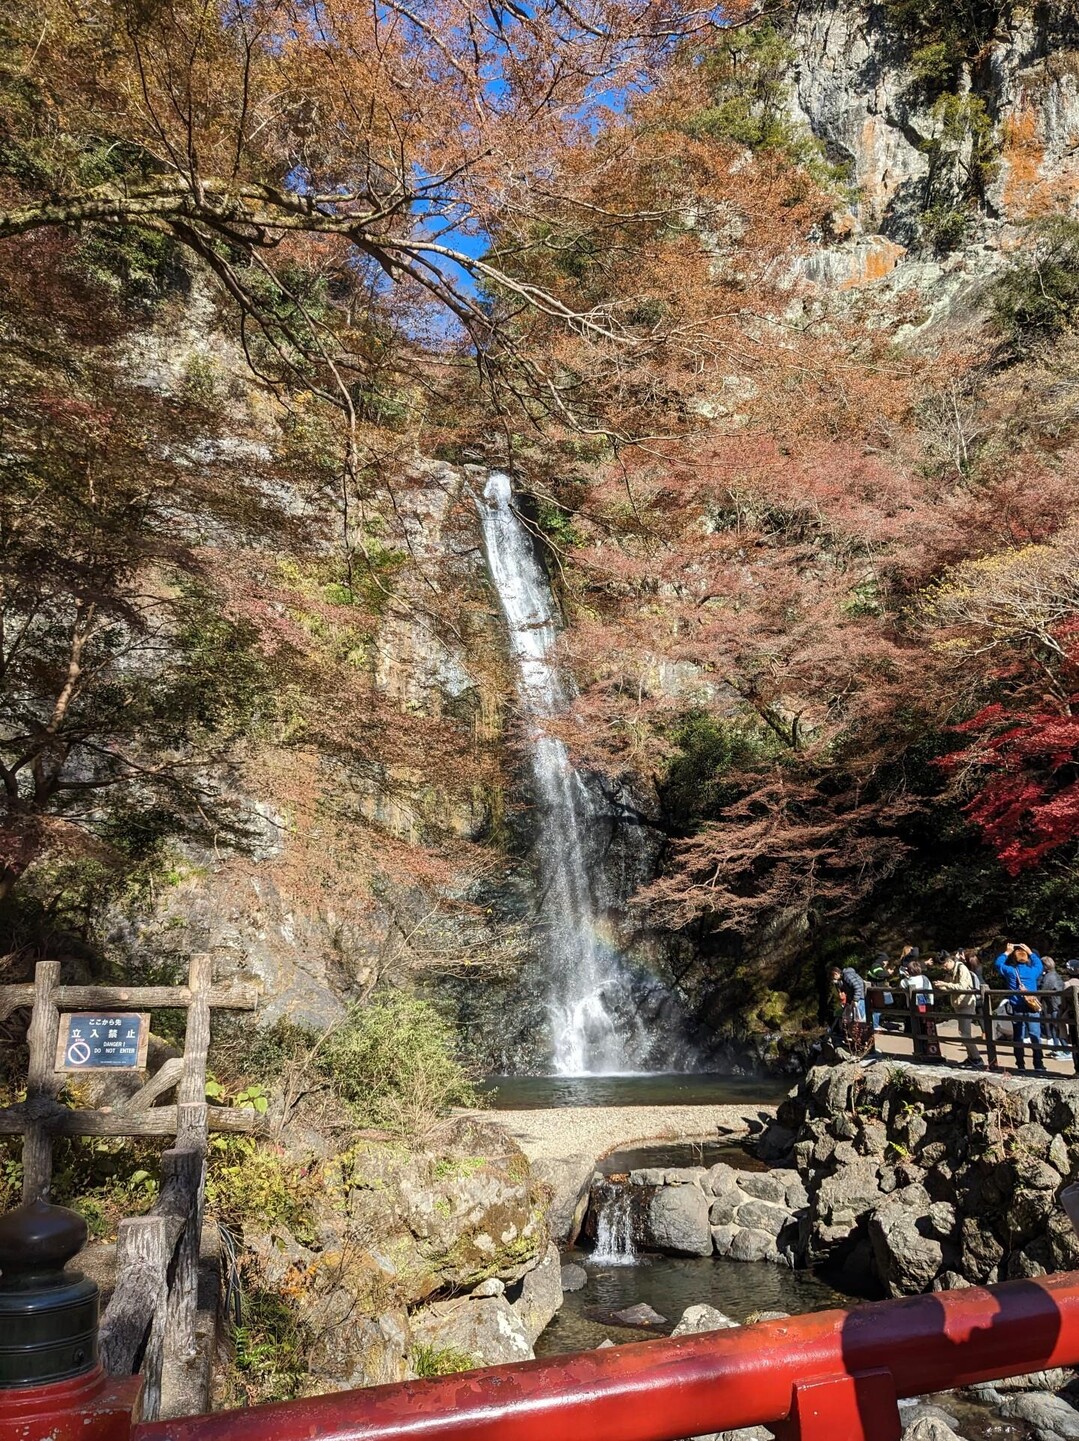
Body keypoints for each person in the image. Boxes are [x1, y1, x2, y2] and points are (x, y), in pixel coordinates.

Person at [995, 942, 1046, 1073]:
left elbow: (998, 964)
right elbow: (1039, 965)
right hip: (1032, 1007)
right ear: (1027, 959)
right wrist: (1030, 952)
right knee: (1035, 1035)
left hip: (1017, 1006)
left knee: (1019, 1036)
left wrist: (1006, 952)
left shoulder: (1011, 971)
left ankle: (1020, 1064)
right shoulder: (1032, 972)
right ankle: (1038, 1064)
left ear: (1014, 958)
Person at [936, 952, 985, 1069]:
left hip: (966, 1003)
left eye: (944, 965)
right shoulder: (950, 971)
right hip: (958, 1004)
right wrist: (940, 986)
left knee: (965, 1033)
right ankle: (971, 1058)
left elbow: (962, 986)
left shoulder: (961, 968)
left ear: (949, 961)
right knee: (963, 1032)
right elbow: (949, 986)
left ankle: (977, 1058)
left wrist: (946, 984)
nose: (944, 968)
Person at [901, 960, 939, 1060]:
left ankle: (919, 1050)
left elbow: (901, 985)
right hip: (926, 1005)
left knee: (917, 1028)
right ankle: (930, 1050)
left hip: (914, 1007)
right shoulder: (924, 978)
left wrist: (905, 976)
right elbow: (930, 991)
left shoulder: (906, 981)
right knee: (927, 1028)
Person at [1040, 957, 1067, 1054]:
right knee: (1054, 1028)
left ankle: (1065, 1050)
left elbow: (1042, 991)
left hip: (1054, 1005)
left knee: (1057, 1028)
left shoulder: (1049, 977)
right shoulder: (1055, 975)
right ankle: (1057, 1048)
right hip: (1056, 1004)